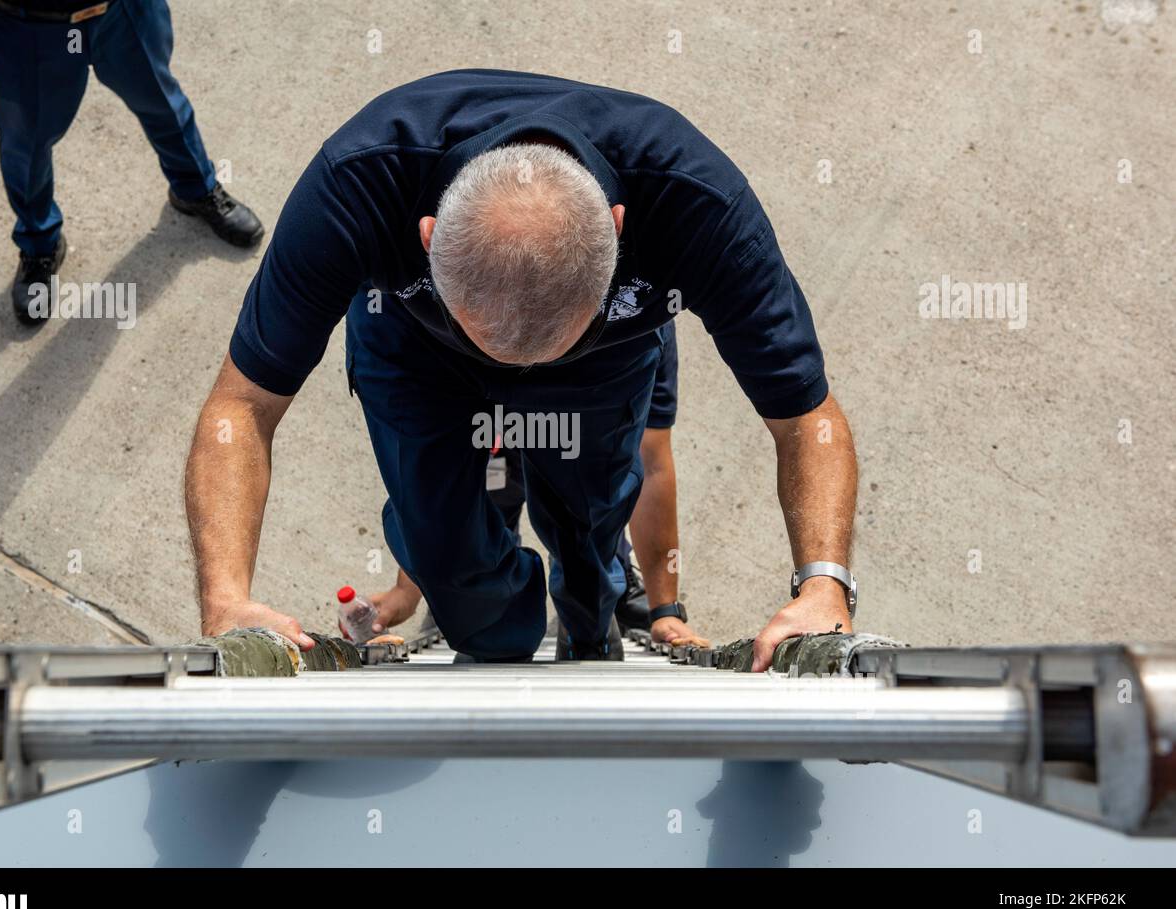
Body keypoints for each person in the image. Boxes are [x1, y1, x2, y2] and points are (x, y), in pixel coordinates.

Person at [185, 70, 858, 670]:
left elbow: (808, 421)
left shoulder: (699, 205)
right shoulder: (358, 184)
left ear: (618, 230)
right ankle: (497, 622)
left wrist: (824, 584)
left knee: (592, 523)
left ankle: (589, 615)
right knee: (449, 557)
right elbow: (240, 408)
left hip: (602, 363)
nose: (518, 380)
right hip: (418, 345)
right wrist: (226, 600)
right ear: (427, 235)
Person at [363, 325, 709, 651]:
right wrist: (415, 584)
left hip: (575, 442)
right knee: (476, 593)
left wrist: (665, 609)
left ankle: (596, 597)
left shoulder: (643, 313)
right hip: (492, 454)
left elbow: (652, 463)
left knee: (591, 560)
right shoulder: (464, 299)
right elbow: (434, 475)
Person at [0, 0, 263, 322]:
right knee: (27, 146)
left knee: (162, 102)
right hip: (27, 26)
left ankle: (196, 187)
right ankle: (39, 243)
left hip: (122, 12)